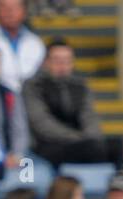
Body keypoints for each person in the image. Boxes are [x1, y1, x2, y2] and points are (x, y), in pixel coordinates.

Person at [22, 38, 105, 167]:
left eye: (67, 61)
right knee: (89, 150)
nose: (62, 65)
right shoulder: (33, 86)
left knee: (117, 148)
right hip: (48, 144)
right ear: (46, 63)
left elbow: (89, 116)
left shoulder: (81, 86)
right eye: (57, 60)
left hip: (81, 142)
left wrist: (90, 136)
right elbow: (42, 124)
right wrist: (77, 138)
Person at [0, 0, 45, 94]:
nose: (9, 11)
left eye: (15, 7)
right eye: (4, 7)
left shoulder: (36, 43)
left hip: (31, 99)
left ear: (24, 12)